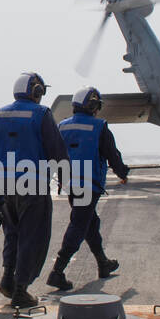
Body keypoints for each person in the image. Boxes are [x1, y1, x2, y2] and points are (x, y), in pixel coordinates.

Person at [0, 72, 69, 307]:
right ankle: (21, 289)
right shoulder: (41, 114)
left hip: (3, 186)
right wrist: (65, 179)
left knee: (12, 235)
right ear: (36, 92)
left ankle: (7, 279)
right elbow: (56, 149)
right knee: (33, 237)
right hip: (32, 185)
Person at [47, 86, 130, 291]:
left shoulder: (62, 126)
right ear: (93, 105)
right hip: (89, 184)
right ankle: (58, 270)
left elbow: (53, 153)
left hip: (70, 184)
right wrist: (123, 173)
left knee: (90, 223)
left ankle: (103, 263)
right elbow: (112, 155)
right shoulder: (99, 127)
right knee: (79, 224)